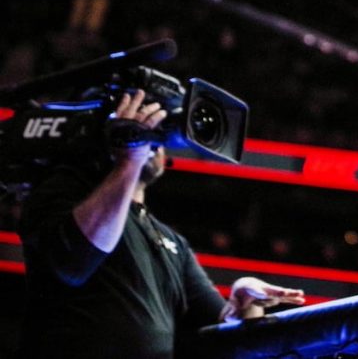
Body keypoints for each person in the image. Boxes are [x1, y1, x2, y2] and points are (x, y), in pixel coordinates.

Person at [17, 89, 306, 359]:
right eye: (141, 123)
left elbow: (226, 335)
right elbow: (75, 259)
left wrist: (245, 300)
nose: (152, 139)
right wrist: (130, 155)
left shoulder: (172, 243)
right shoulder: (61, 192)